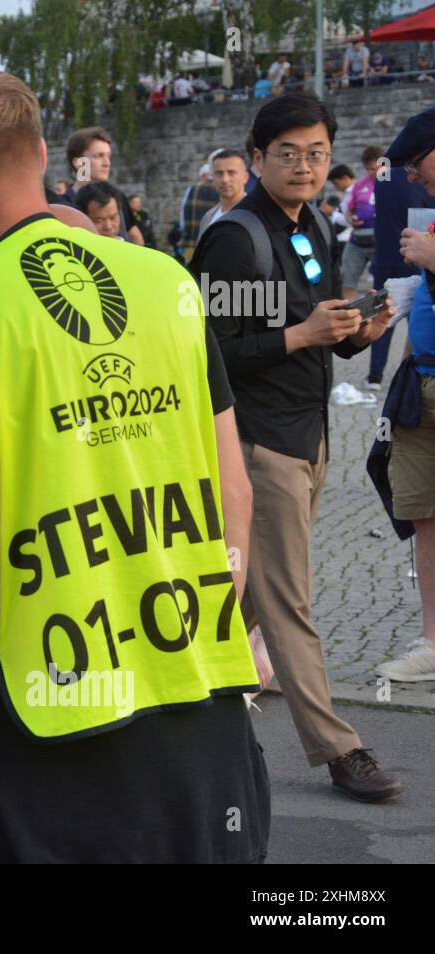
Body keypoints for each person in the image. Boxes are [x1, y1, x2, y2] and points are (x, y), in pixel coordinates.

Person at [0, 68, 269, 863]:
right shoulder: (165, 285)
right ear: (44, 154)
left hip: (45, 736)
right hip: (195, 709)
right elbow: (234, 492)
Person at [190, 93, 401, 802]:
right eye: (289, 153)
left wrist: (353, 332)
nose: (305, 166)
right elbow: (208, 353)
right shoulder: (234, 236)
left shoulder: (311, 222)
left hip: (307, 432)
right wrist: (302, 336)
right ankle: (341, 750)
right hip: (255, 444)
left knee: (240, 598)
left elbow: (308, 323)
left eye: (316, 153)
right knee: (287, 601)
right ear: (257, 157)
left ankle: (162, 708)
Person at [375, 105, 435, 682]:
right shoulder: (429, 213)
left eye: (418, 164)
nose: (413, 176)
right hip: (420, 383)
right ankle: (432, 642)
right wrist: (379, 307)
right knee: (422, 514)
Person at [367, 122, 435, 389]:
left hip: (388, 255)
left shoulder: (383, 180)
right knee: (390, 312)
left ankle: (375, 375)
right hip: (422, 377)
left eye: (413, 164)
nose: (411, 176)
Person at [64, 126, 143, 244]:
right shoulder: (61, 205)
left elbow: (135, 235)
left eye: (108, 156)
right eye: (99, 156)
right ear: (78, 162)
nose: (107, 163)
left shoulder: (116, 196)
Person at [341, 146, 382, 304]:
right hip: (357, 240)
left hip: (381, 242)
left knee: (382, 282)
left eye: (374, 168)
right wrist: (351, 219)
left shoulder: (392, 183)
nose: (371, 172)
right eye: (367, 169)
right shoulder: (358, 185)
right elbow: (348, 211)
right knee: (347, 281)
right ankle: (348, 313)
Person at [198, 148, 250, 238]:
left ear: (245, 177)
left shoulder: (256, 214)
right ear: (213, 179)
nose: (225, 180)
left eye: (231, 173)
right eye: (219, 173)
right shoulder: (208, 217)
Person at [178, 160, 220, 257]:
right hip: (214, 243)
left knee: (194, 271)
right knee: (208, 271)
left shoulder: (192, 189)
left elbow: (182, 218)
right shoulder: (222, 188)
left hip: (192, 242)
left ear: (201, 176)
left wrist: (184, 234)